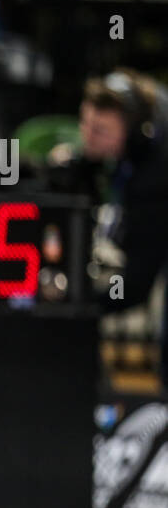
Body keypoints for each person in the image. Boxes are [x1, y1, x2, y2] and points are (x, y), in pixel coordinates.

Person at [81, 68, 168, 383]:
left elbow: (135, 286)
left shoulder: (153, 179)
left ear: (134, 132)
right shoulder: (147, 103)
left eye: (100, 130)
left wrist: (82, 306)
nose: (87, 136)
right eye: (84, 123)